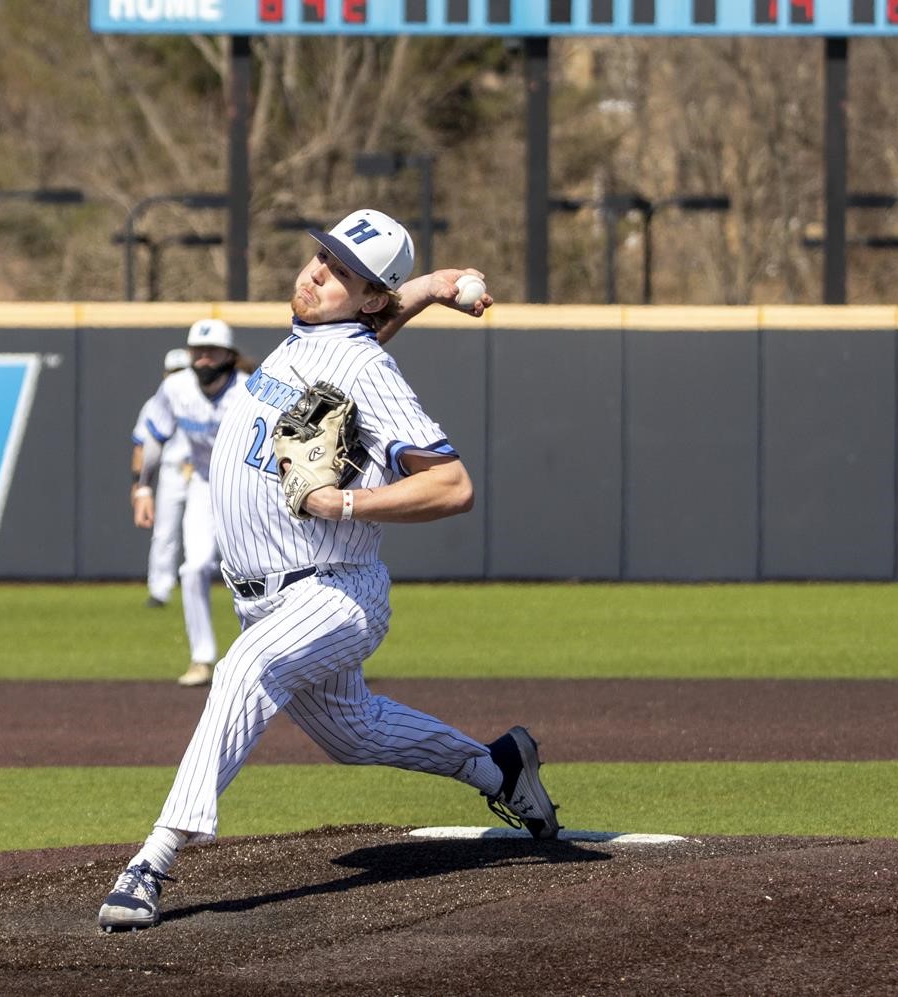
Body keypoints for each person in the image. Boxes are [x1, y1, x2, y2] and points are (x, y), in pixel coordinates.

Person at [97, 208, 559, 933]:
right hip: (264, 596)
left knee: (243, 670)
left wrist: (347, 499)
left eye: (342, 272)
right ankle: (498, 768)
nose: (317, 273)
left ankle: (155, 857)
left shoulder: (367, 366)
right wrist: (436, 285)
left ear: (369, 295)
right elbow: (360, 328)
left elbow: (452, 485)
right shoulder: (315, 337)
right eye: (322, 257)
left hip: (332, 589)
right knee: (355, 733)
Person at [130, 320, 250, 688]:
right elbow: (150, 439)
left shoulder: (249, 392)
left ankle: (272, 659)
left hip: (250, 488)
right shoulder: (176, 387)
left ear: (229, 356)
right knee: (194, 567)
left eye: (211, 351)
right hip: (203, 482)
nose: (203, 359)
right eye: (197, 351)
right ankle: (202, 658)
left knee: (261, 573)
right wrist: (142, 489)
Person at [133, 348, 194, 610]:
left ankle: (199, 586)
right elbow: (141, 445)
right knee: (164, 533)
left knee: (203, 535)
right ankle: (160, 589)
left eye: (182, 372)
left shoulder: (202, 398)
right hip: (172, 469)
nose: (176, 377)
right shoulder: (156, 403)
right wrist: (139, 485)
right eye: (173, 372)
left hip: (203, 472)